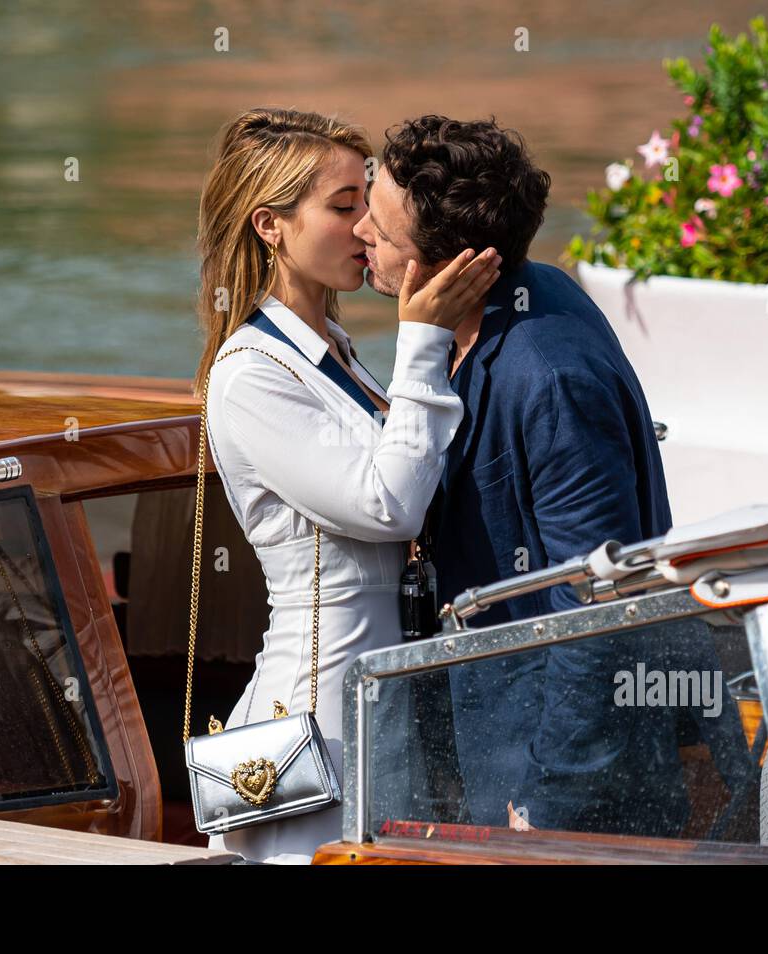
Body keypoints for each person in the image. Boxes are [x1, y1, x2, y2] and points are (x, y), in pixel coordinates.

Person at [354, 114, 749, 835]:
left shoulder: (549, 376)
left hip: (564, 784)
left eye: (380, 234)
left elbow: (596, 608)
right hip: (490, 745)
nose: (360, 237)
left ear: (450, 265)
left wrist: (546, 802)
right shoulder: (505, 303)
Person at [193, 107, 500, 863]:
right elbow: (388, 505)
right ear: (271, 226)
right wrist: (425, 341)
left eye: (367, 199)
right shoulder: (250, 374)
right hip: (315, 723)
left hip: (380, 689)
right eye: (342, 206)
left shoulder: (337, 353)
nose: (368, 225)